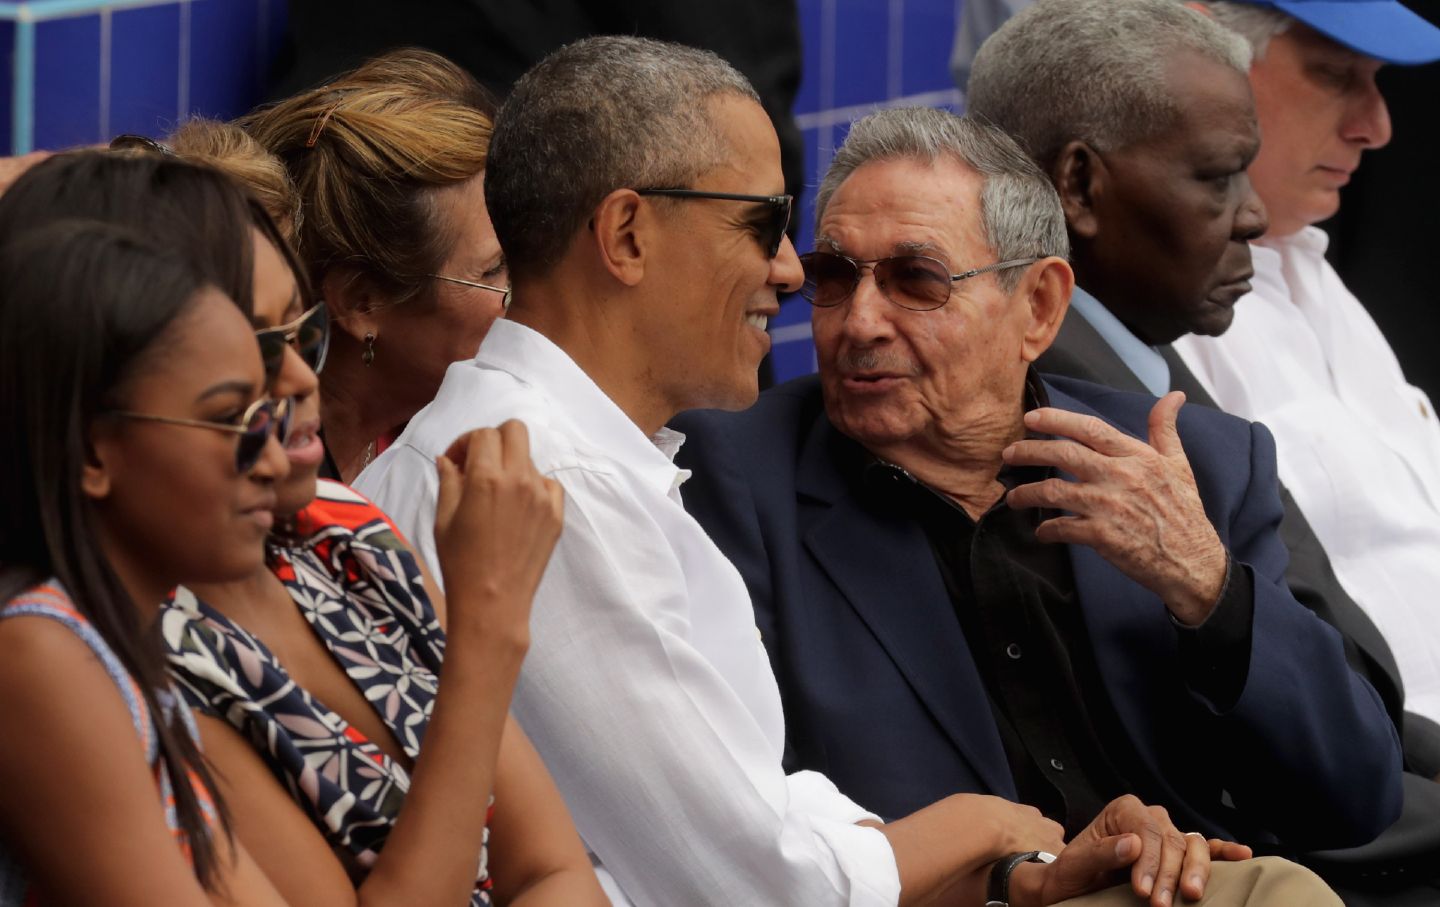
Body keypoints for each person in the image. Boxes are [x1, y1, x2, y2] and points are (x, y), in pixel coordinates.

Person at [357, 35, 1337, 907]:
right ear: (625, 237)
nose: (789, 272)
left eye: (914, 280)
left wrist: (1016, 870)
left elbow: (757, 810)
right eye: (764, 226)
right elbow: (758, 881)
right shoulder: (553, 479)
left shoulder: (569, 456)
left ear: (1038, 309)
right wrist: (1000, 828)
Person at [672, 102, 1401, 880]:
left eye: (917, 280)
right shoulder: (737, 477)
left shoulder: (1191, 464)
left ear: (1040, 307)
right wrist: (1015, 873)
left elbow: (1354, 794)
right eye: (835, 277)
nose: (860, 322)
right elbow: (741, 817)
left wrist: (1205, 587)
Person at [6, 148, 604, 906]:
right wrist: (487, 630)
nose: (296, 383)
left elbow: (555, 868)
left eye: (300, 335)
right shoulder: (56, 647)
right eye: (233, 406)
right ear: (91, 436)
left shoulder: (335, 528)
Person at [0, 202, 291, 902]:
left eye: (266, 416)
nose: (274, 460)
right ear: (92, 449)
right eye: (230, 420)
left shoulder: (122, 648)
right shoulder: (38, 652)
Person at [1168, 0, 1440, 728]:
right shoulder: (1160, 314)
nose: (1376, 126)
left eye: (1375, 81)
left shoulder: (1304, 259)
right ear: (1206, 56)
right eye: (1333, 75)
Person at [245, 49, 508, 482]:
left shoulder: (466, 430)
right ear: (360, 303)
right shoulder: (267, 477)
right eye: (494, 270)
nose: (530, 292)